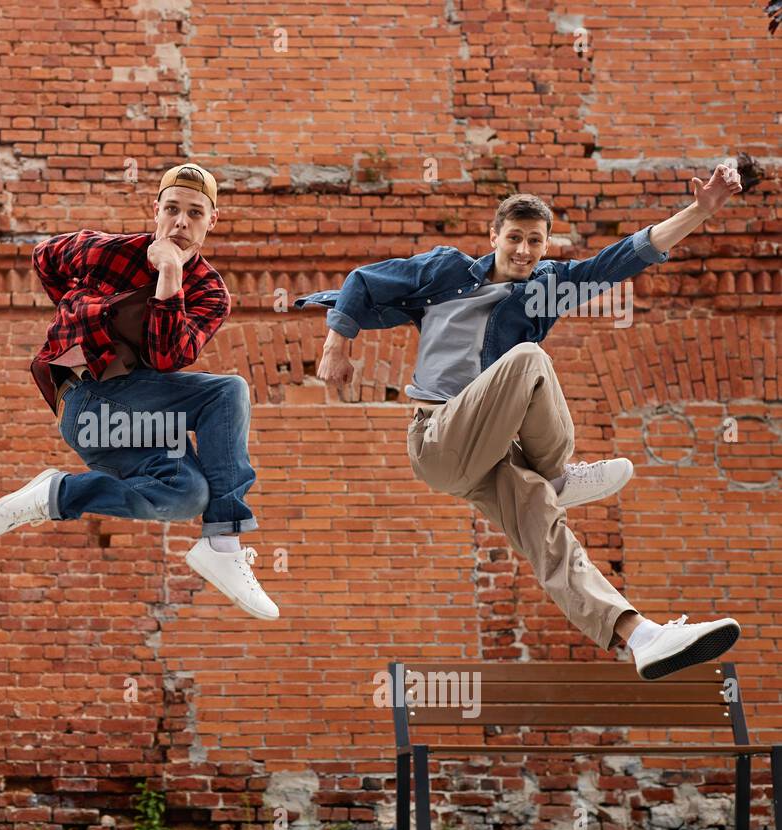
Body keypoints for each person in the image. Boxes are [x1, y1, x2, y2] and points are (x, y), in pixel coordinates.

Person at [297, 165, 744, 679]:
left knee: (548, 536)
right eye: (514, 239)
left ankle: (640, 635)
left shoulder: (547, 287)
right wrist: (337, 344)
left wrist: (700, 212)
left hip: (487, 452)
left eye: (536, 241)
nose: (525, 252)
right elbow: (362, 281)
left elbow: (618, 261)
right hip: (437, 435)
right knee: (529, 358)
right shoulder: (445, 271)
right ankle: (558, 476)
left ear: (547, 244)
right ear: (494, 237)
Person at [0, 163, 278, 620]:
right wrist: (79, 321)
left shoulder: (210, 293)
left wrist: (170, 277)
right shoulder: (104, 250)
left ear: (212, 220)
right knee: (227, 392)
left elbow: (166, 357)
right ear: (154, 210)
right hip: (88, 405)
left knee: (187, 495)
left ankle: (59, 494)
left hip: (136, 422)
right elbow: (44, 257)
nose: (181, 222)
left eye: (195, 213)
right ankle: (224, 539)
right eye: (172, 209)